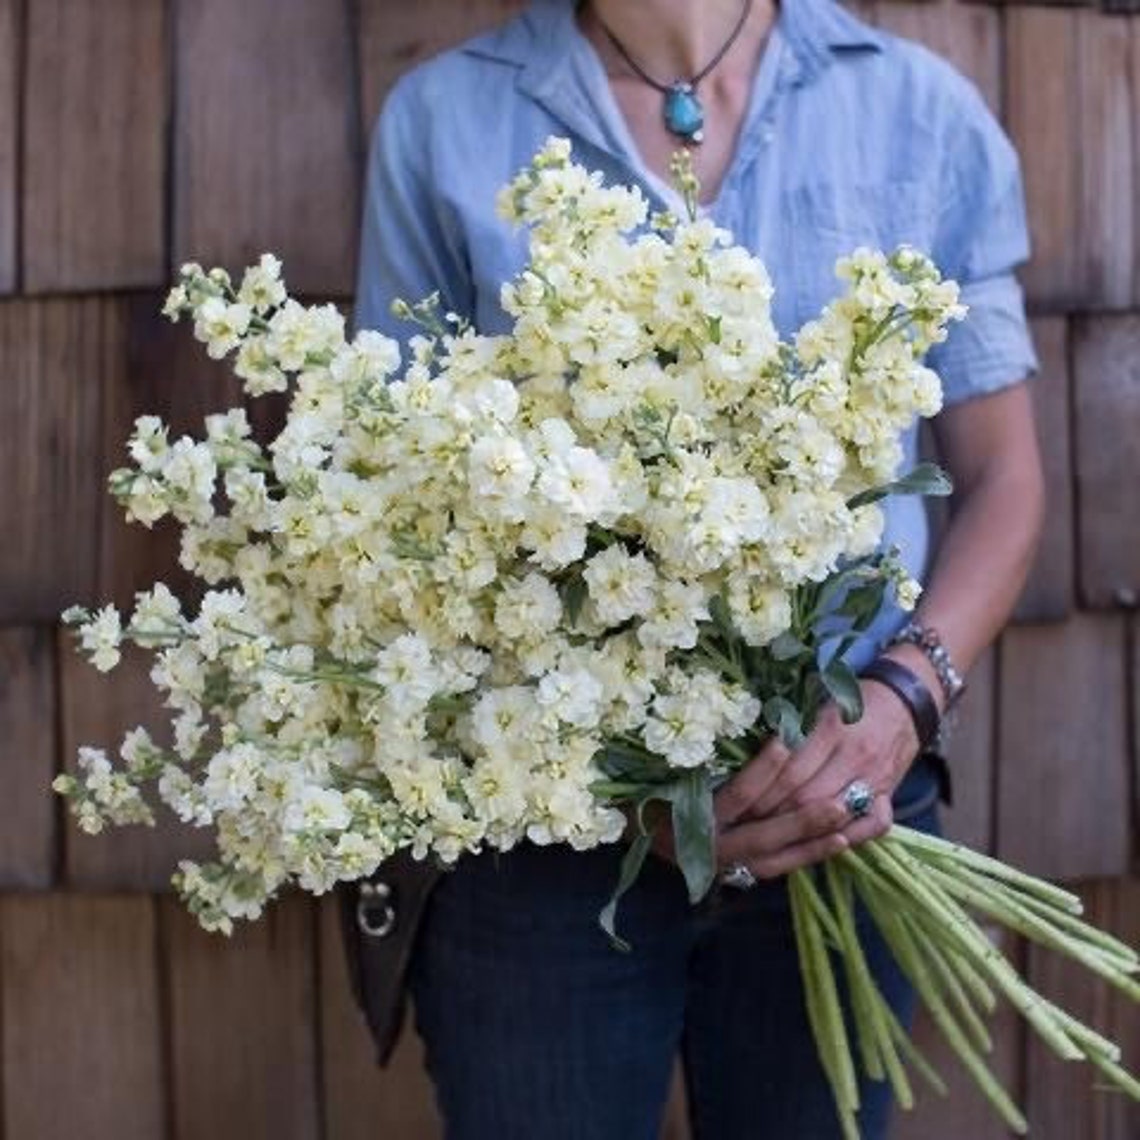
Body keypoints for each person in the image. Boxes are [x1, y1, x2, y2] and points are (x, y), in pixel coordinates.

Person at [349, 0, 1045, 1135]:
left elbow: (1004, 481)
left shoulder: (919, 115)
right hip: (552, 858)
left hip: (849, 810)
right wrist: (625, 785)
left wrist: (902, 700)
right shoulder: (445, 123)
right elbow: (398, 521)